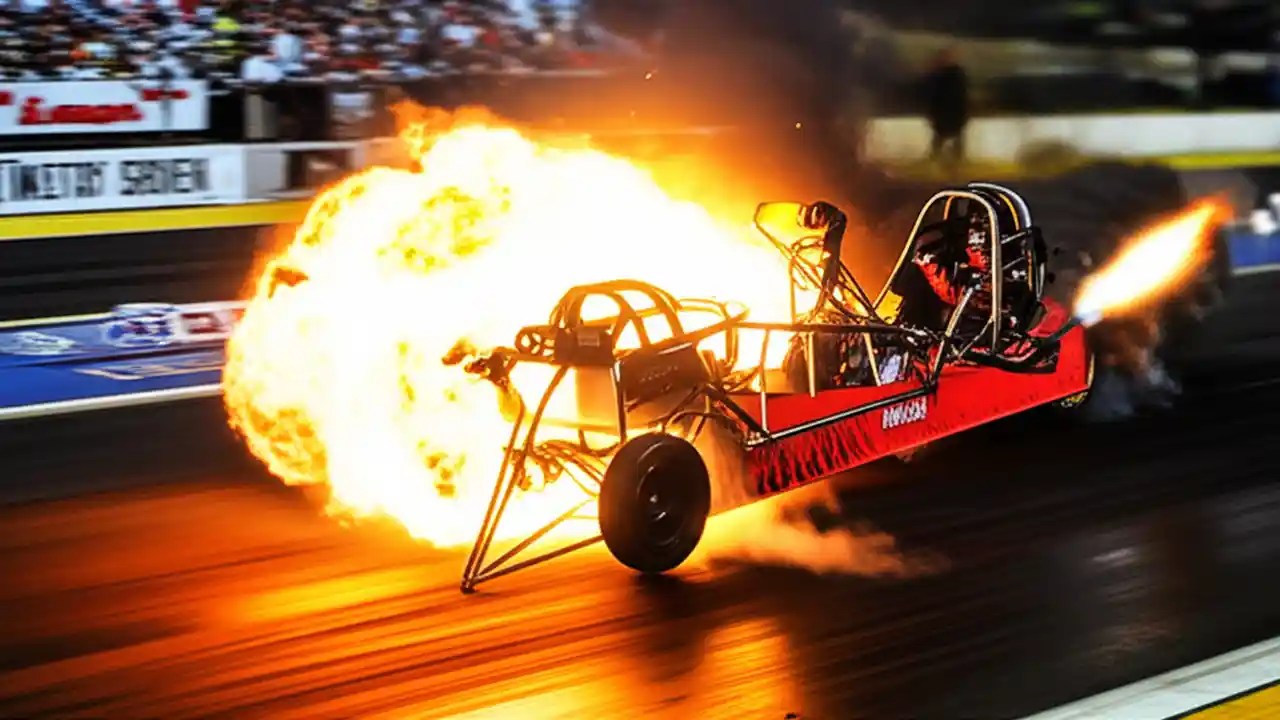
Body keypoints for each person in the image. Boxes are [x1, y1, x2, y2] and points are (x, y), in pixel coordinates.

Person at [923, 47, 968, 171]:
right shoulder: (944, 74)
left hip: (952, 111)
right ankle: (942, 160)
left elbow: (961, 95)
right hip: (946, 111)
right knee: (943, 137)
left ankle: (953, 161)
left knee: (950, 138)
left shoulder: (951, 74)